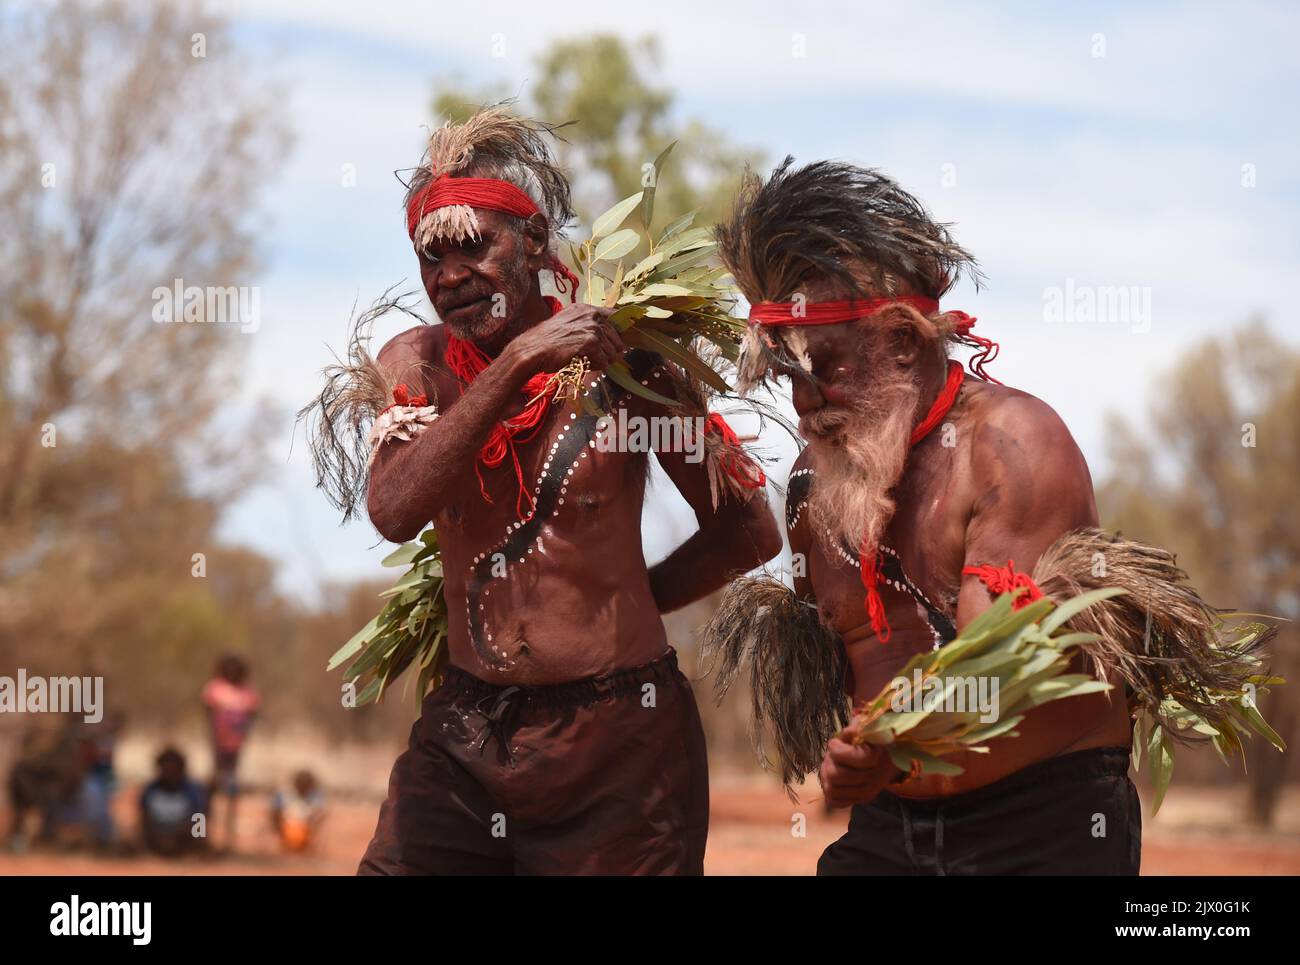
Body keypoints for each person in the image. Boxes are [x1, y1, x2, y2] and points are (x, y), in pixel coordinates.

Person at [708, 158, 1274, 875]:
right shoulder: (807, 489)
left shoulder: (1014, 449)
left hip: (1042, 827)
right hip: (894, 823)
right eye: (790, 377)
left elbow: (1002, 670)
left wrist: (891, 741)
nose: (804, 403)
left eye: (825, 366)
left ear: (903, 342)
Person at [307, 106, 781, 875]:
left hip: (621, 739)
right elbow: (394, 511)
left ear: (532, 243)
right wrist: (520, 361)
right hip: (468, 734)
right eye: (432, 258)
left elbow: (751, 532)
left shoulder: (631, 363)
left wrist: (622, 607)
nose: (451, 276)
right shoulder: (417, 366)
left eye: (474, 246)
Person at [201, 654, 259, 852]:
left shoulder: (247, 693)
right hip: (218, 747)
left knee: (232, 791)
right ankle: (204, 835)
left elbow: (252, 717)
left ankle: (228, 839)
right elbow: (208, 715)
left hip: (236, 749)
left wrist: (242, 733)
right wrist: (214, 737)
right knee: (212, 788)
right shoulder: (214, 689)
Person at [139, 746, 207, 857]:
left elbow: (200, 817)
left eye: (173, 769)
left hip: (184, 838)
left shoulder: (192, 791)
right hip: (157, 837)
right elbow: (143, 817)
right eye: (166, 769)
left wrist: (198, 839)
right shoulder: (151, 790)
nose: (169, 773)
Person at [271, 769, 326, 852]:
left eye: (306, 784)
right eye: (301, 783)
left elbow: (320, 811)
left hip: (306, 825)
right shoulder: (284, 794)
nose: (303, 787)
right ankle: (284, 839)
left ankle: (306, 840)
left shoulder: (314, 795)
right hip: (287, 824)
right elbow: (275, 811)